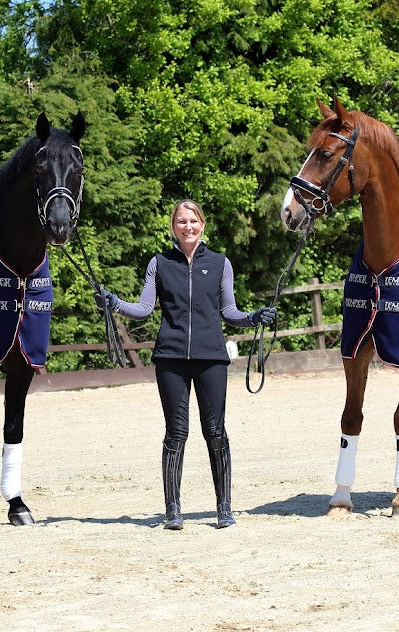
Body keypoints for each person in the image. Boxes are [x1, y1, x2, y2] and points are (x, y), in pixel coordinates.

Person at [95, 199, 276, 530]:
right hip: (171, 358)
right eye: (181, 221)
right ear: (173, 227)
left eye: (193, 221)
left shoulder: (220, 263)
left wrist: (253, 317)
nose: (187, 226)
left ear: (202, 225)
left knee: (216, 432)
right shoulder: (159, 264)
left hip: (211, 359)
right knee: (176, 433)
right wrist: (115, 303)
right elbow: (145, 308)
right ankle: (172, 510)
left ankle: (224, 507)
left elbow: (229, 311)